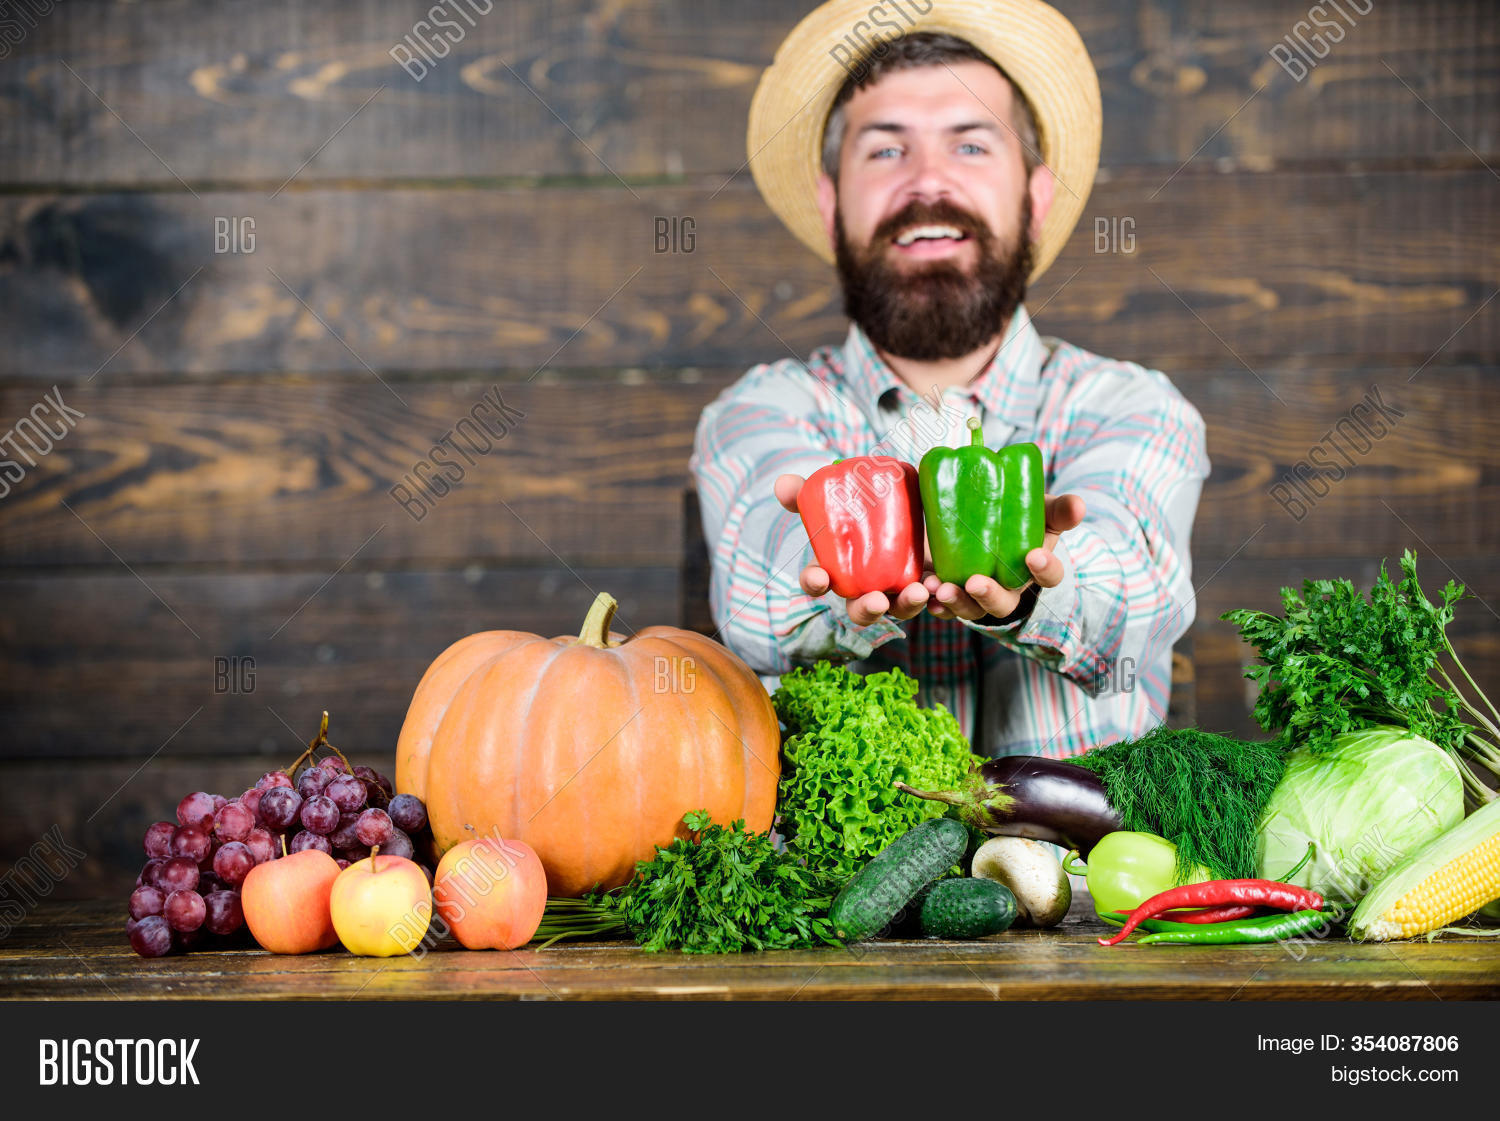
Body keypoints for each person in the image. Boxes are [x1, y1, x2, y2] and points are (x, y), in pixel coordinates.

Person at [690, 3, 1209, 757]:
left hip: (1088, 876)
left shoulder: (1131, 406)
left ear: (1035, 200)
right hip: (834, 880)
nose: (928, 182)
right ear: (831, 204)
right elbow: (754, 600)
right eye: (884, 151)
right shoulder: (760, 410)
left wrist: (1031, 586)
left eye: (970, 145)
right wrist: (846, 575)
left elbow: (1137, 589)